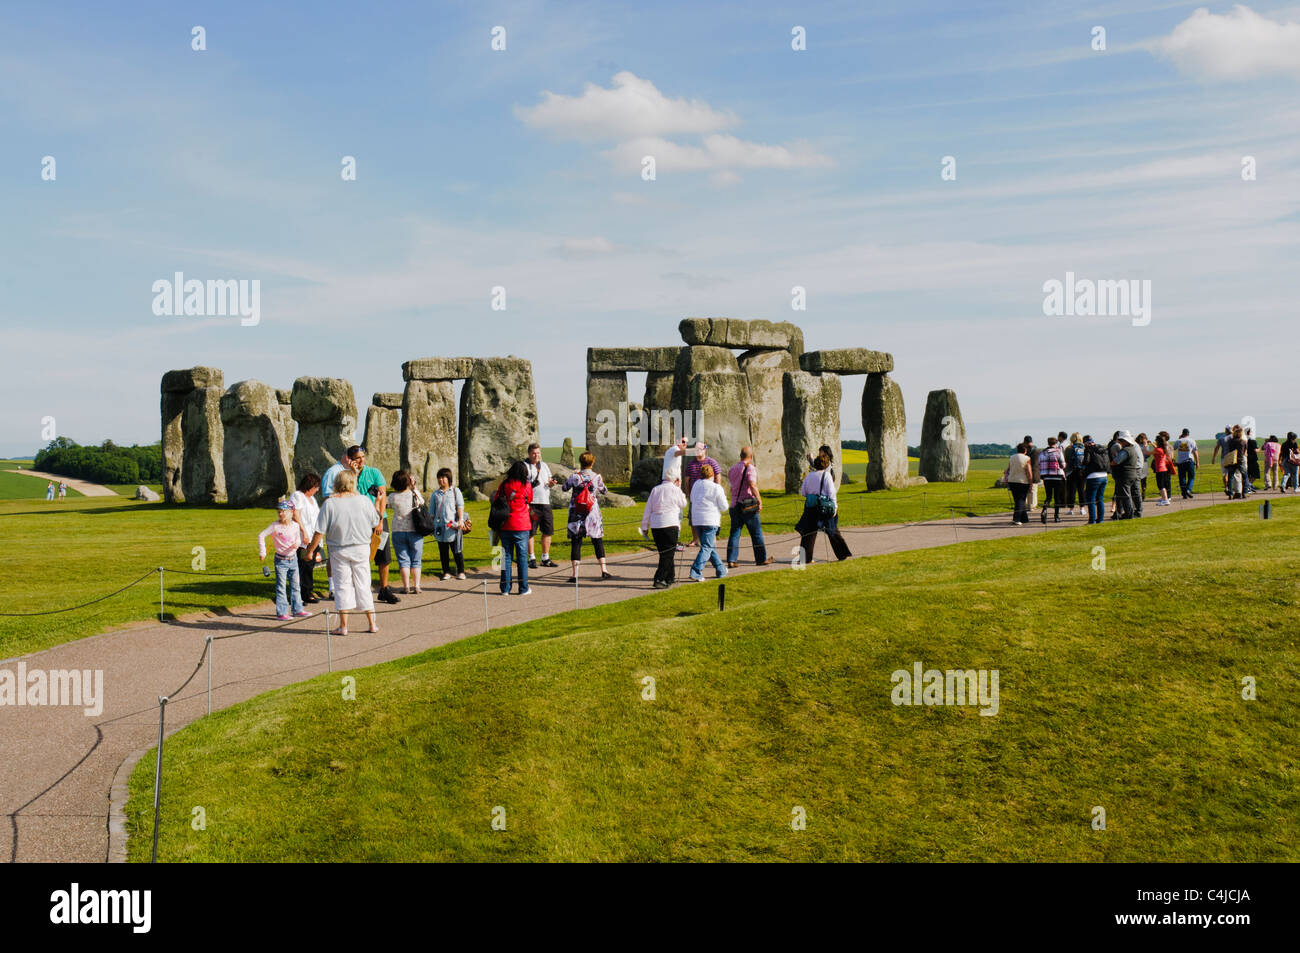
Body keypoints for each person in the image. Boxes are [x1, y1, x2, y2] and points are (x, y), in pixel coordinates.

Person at [306, 469, 380, 635]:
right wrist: (376, 503)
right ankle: (371, 623)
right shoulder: (364, 500)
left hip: (339, 548)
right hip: (361, 547)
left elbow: (319, 531)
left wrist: (310, 551)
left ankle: (344, 625)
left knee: (342, 586)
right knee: (363, 585)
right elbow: (375, 520)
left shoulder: (330, 503)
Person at [349, 446, 399, 605]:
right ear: (351, 460)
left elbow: (382, 496)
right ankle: (359, 588)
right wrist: (354, 475)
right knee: (360, 556)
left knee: (383, 555)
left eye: (362, 456)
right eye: (357, 458)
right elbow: (349, 493)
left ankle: (384, 588)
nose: (361, 460)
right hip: (359, 521)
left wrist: (379, 520)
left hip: (377, 518)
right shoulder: (348, 475)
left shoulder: (374, 473)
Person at [257, 500, 311, 621]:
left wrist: (296, 544)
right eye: (279, 511)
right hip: (281, 561)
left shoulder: (295, 526)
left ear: (291, 512)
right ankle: (282, 612)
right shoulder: (275, 526)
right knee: (281, 587)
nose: (280, 514)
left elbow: (298, 538)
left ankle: (298, 609)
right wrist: (263, 551)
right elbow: (261, 535)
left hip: (293, 560)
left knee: (296, 585)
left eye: (283, 511)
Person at [562, 452, 612, 581]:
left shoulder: (574, 476)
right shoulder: (596, 477)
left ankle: (575, 574)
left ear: (580, 462)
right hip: (592, 513)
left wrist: (575, 474)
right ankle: (604, 570)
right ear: (592, 462)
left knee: (576, 542)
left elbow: (564, 488)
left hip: (576, 512)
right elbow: (604, 491)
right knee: (597, 541)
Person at [796, 452, 852, 561]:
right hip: (824, 507)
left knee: (808, 533)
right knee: (833, 530)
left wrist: (812, 494)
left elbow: (803, 492)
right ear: (826, 465)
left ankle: (805, 558)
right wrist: (835, 507)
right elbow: (831, 493)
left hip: (811, 507)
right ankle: (842, 554)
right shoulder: (826, 475)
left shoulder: (809, 476)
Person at [726, 446, 774, 568]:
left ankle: (731, 559)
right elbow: (752, 485)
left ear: (740, 456)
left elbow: (732, 487)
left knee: (735, 533)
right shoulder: (750, 468)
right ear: (751, 456)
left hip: (734, 504)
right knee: (756, 533)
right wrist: (759, 500)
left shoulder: (732, 469)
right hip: (747, 506)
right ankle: (761, 558)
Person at [639, 472, 687, 589]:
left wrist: (645, 526)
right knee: (668, 554)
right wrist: (679, 488)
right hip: (670, 524)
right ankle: (659, 578)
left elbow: (648, 509)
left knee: (664, 553)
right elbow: (684, 503)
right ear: (675, 479)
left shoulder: (655, 490)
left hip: (656, 525)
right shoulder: (675, 490)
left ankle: (670, 577)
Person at [492, 461, 534, 595]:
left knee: (506, 557)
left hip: (505, 525)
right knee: (522, 558)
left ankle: (505, 588)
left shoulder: (504, 485)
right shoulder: (526, 485)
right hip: (522, 524)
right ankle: (523, 588)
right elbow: (530, 499)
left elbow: (496, 499)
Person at [688, 463, 730, 582]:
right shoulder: (716, 487)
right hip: (710, 520)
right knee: (707, 547)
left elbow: (691, 498)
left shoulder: (696, 484)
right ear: (712, 475)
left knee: (709, 546)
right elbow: (724, 507)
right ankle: (695, 571)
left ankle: (721, 569)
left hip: (697, 519)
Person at [318, 449, 351, 596]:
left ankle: (346, 584)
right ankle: (333, 587)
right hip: (336, 519)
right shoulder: (333, 472)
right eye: (355, 459)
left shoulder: (350, 472)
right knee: (334, 554)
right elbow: (327, 497)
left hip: (351, 520)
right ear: (347, 458)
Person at [388, 470, 426, 594]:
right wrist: (414, 487)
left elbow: (387, 505)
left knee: (403, 561)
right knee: (416, 560)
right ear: (408, 482)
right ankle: (417, 586)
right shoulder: (412, 494)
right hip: (415, 530)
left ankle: (406, 587)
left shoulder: (392, 497)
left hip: (398, 531)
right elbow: (422, 502)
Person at [523, 443, 558, 570]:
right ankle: (531, 558)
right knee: (531, 532)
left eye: (538, 453)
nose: (536, 455)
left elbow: (548, 482)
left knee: (548, 531)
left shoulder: (544, 465)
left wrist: (551, 483)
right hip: (532, 504)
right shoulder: (524, 466)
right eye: (534, 453)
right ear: (529, 453)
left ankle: (545, 557)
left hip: (545, 502)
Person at [682, 442, 724, 547]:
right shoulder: (691, 465)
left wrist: (717, 491)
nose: (697, 452)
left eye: (699, 449)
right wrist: (689, 494)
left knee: (711, 516)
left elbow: (718, 476)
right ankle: (695, 539)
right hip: (695, 497)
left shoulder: (712, 462)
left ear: (704, 449)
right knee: (692, 518)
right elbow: (687, 481)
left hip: (710, 496)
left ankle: (712, 538)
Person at [289, 472, 322, 604]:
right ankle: (298, 594)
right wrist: (304, 532)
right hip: (303, 538)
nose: (317, 489)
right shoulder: (298, 496)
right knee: (301, 566)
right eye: (316, 487)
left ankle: (307, 591)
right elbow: (295, 515)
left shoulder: (312, 499)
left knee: (309, 565)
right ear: (310, 486)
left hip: (313, 536)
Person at [430, 468, 467, 580]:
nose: (441, 480)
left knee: (457, 550)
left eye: (443, 477)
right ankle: (446, 571)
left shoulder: (456, 491)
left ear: (449, 478)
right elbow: (432, 511)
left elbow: (460, 506)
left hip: (453, 526)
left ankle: (461, 571)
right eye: (439, 478)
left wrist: (460, 520)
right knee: (443, 551)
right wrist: (430, 526)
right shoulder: (435, 494)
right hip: (440, 527)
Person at [1113, 431, 1143, 518]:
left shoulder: (1128, 448)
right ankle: (1133, 511)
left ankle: (1132, 512)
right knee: (1132, 492)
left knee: (1130, 492)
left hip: (1132, 470)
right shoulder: (1134, 446)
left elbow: (1117, 461)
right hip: (1135, 469)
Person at [1036, 437, 1067, 524]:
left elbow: (1039, 464)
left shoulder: (1042, 453)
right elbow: (1063, 465)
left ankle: (1044, 510)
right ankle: (1056, 516)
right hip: (1057, 476)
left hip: (1046, 477)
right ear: (1056, 443)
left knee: (1048, 496)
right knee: (1057, 498)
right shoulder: (1058, 452)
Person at [1082, 436, 1110, 524]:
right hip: (1104, 475)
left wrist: (1082, 463)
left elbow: (1086, 461)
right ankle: (1100, 519)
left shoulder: (1088, 449)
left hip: (1093, 476)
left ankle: (1092, 520)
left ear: (1086, 443)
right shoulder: (1103, 449)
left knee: (1091, 500)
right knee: (1099, 499)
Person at [1004, 443, 1033, 525]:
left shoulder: (1011, 457)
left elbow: (1008, 469)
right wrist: (1030, 483)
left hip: (1012, 480)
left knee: (1018, 500)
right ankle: (1016, 518)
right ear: (1025, 450)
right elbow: (1029, 472)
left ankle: (1024, 518)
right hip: (1023, 481)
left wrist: (1006, 478)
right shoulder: (1027, 458)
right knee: (1021, 500)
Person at [1064, 431, 1086, 515]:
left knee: (1071, 491)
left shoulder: (1068, 448)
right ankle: (1082, 509)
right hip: (1081, 472)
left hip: (1071, 471)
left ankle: (1071, 509)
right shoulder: (1084, 447)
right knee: (1081, 490)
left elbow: (1066, 460)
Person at [1224, 425, 1247, 498]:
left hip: (1232, 459)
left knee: (1230, 477)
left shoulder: (1230, 441)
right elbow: (1244, 451)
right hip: (1240, 460)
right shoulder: (1243, 441)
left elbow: (1229, 449)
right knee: (1244, 476)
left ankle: (1230, 493)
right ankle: (1244, 493)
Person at [1174, 428, 1198, 499]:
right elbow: (1195, 452)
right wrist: (1197, 462)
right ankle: (1188, 489)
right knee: (1191, 477)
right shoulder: (1192, 441)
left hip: (1180, 462)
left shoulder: (1178, 441)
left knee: (1182, 478)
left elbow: (1173, 448)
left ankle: (1184, 493)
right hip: (1189, 461)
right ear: (1188, 434)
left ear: (1182, 433)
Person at [1150, 435, 1173, 506]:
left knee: (1161, 485)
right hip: (1164, 469)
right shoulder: (1163, 449)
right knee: (1163, 485)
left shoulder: (1158, 450)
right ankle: (1164, 499)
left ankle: (1165, 500)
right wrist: (1152, 444)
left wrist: (1145, 446)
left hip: (1160, 469)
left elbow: (1147, 453)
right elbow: (1156, 449)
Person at [1211, 424, 1233, 492]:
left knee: (1224, 474)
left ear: (1226, 430)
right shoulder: (1234, 437)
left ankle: (1226, 487)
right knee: (1232, 473)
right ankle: (1231, 487)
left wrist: (1213, 457)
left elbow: (1217, 448)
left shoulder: (1221, 438)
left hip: (1224, 457)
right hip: (1232, 457)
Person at [1022, 435, 1041, 513]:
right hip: (1035, 472)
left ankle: (1026, 505)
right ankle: (1032, 506)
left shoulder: (1025, 450)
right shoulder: (1037, 450)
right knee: (1033, 490)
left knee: (1026, 490)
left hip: (1026, 471)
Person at [1135, 433, 1152, 500]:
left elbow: (1148, 455)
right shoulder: (1137, 445)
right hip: (1139, 463)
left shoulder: (1144, 445)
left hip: (1144, 463)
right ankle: (1139, 492)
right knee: (1139, 478)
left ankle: (1143, 491)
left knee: (1144, 479)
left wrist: (1146, 446)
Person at [1244, 428, 1259, 495]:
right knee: (1255, 474)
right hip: (1253, 459)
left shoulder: (1244, 440)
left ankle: (1248, 486)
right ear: (1249, 433)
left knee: (1248, 473)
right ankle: (1248, 485)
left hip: (1246, 458)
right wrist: (1261, 449)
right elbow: (1256, 450)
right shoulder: (1252, 441)